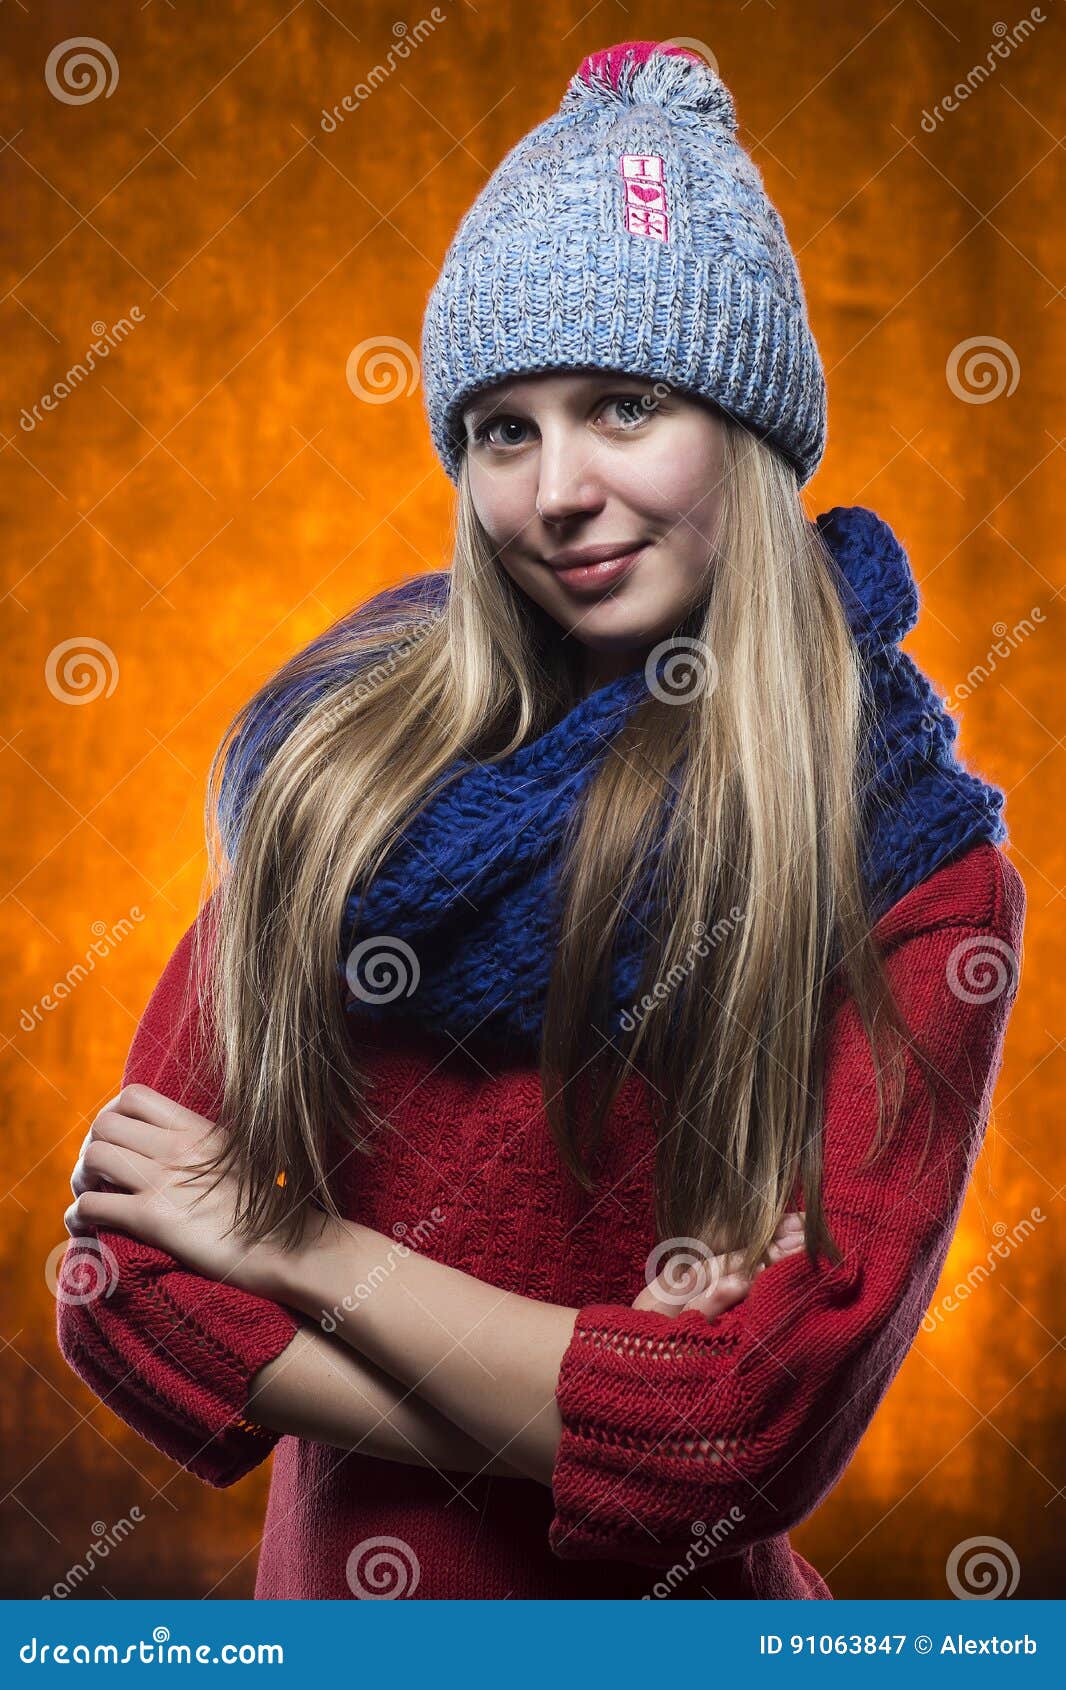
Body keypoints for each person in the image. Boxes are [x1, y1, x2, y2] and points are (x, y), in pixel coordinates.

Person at [56, 40, 1025, 1601]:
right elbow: (122, 1280)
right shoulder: (345, 779)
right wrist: (599, 1386)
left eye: (623, 405)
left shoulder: (911, 873)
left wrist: (292, 1248)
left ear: (751, 432)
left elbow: (747, 1435)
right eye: (503, 429)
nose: (557, 489)